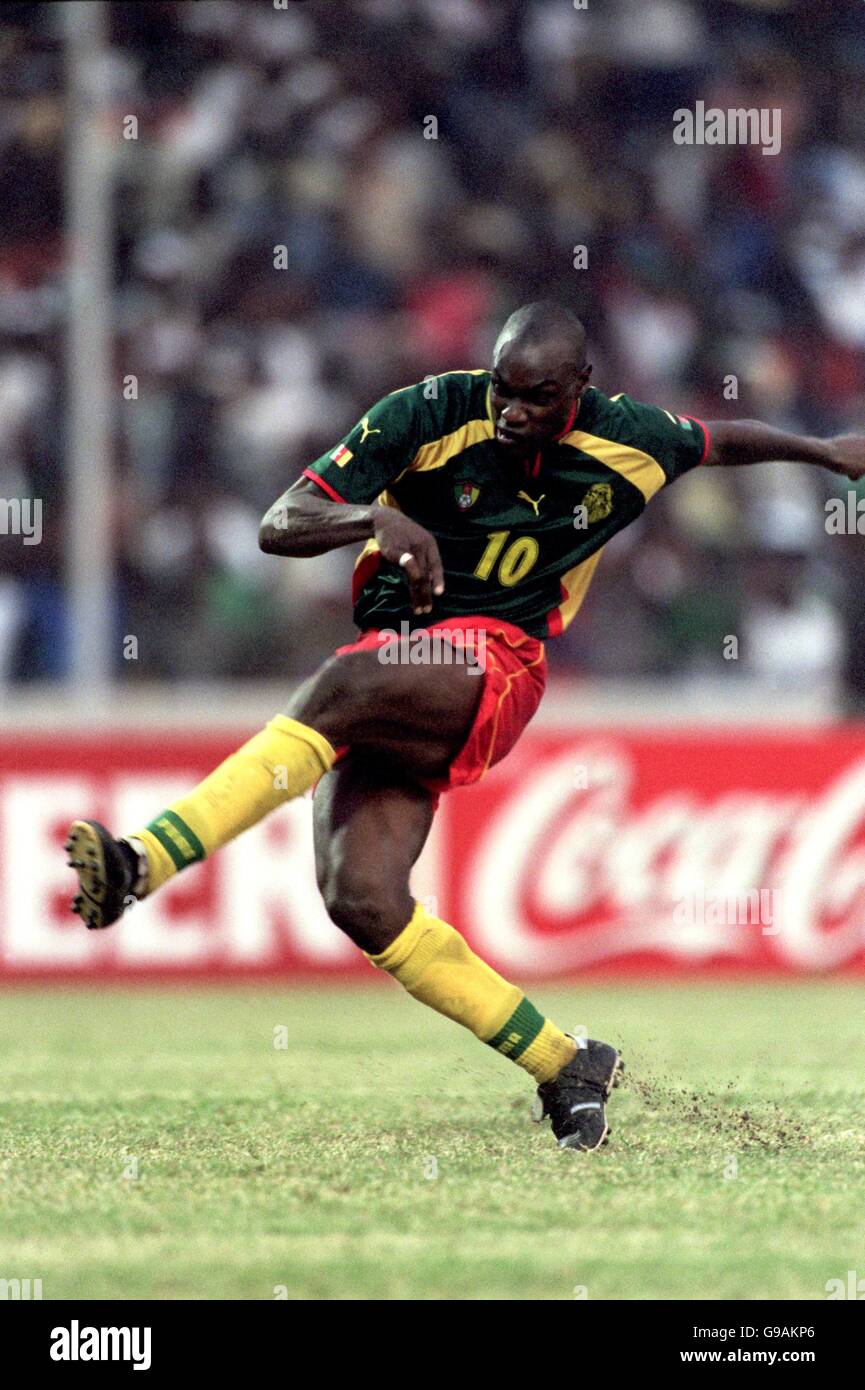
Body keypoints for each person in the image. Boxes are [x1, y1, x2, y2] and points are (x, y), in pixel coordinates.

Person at [65, 302, 865, 1151]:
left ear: (580, 388)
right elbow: (279, 523)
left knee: (339, 688)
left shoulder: (629, 437)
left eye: (536, 397)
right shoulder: (427, 412)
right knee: (361, 900)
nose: (510, 411)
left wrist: (824, 451)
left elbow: (718, 440)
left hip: (498, 661)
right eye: (501, 390)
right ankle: (566, 1064)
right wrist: (373, 517)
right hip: (397, 662)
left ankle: (140, 863)